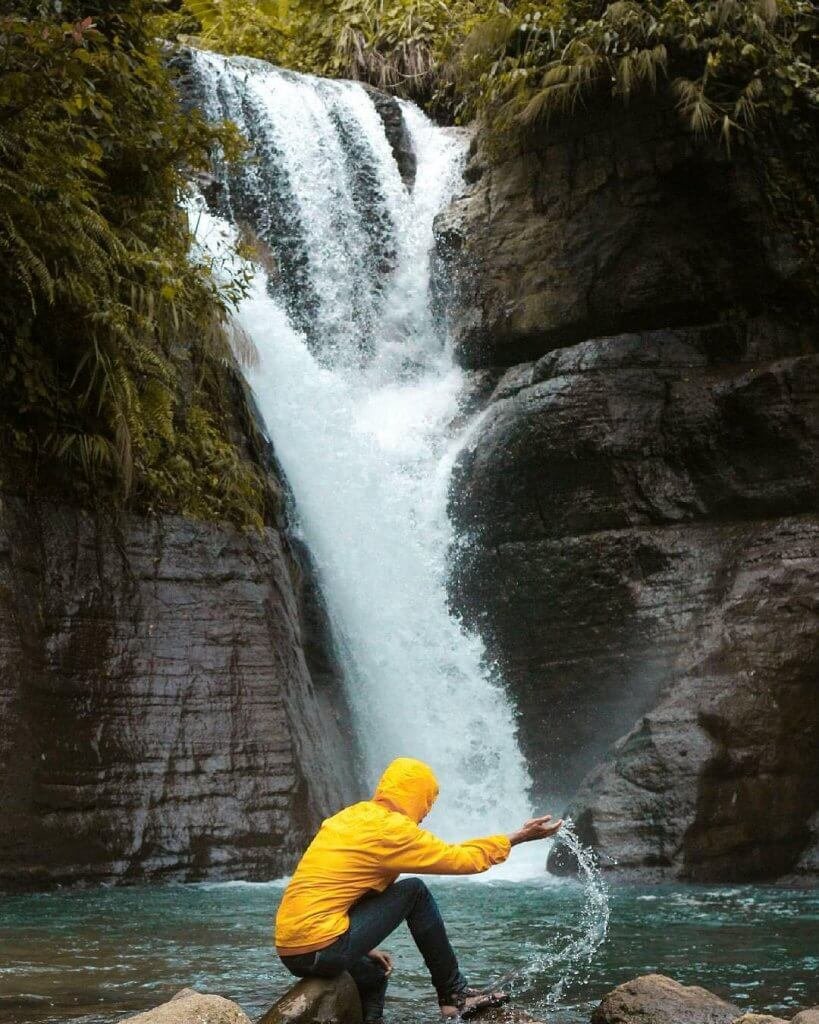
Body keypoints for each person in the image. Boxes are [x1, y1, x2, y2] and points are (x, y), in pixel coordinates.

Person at [275, 756, 563, 1022]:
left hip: (293, 950)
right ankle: (454, 995)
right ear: (416, 796)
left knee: (374, 974)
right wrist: (518, 837)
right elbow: (461, 859)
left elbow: (334, 887)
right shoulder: (393, 830)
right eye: (427, 801)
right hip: (323, 947)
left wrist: (364, 946)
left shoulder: (350, 817)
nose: (426, 813)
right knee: (415, 891)